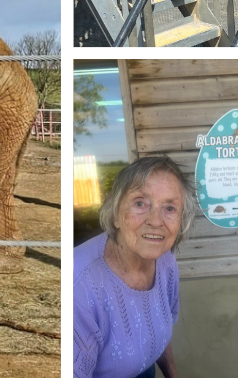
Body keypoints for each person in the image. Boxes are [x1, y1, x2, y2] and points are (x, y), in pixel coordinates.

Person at [73, 155, 195, 378]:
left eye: (169, 208)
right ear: (116, 214)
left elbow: (160, 327)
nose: (156, 221)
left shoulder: (165, 260)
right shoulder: (79, 288)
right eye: (140, 203)